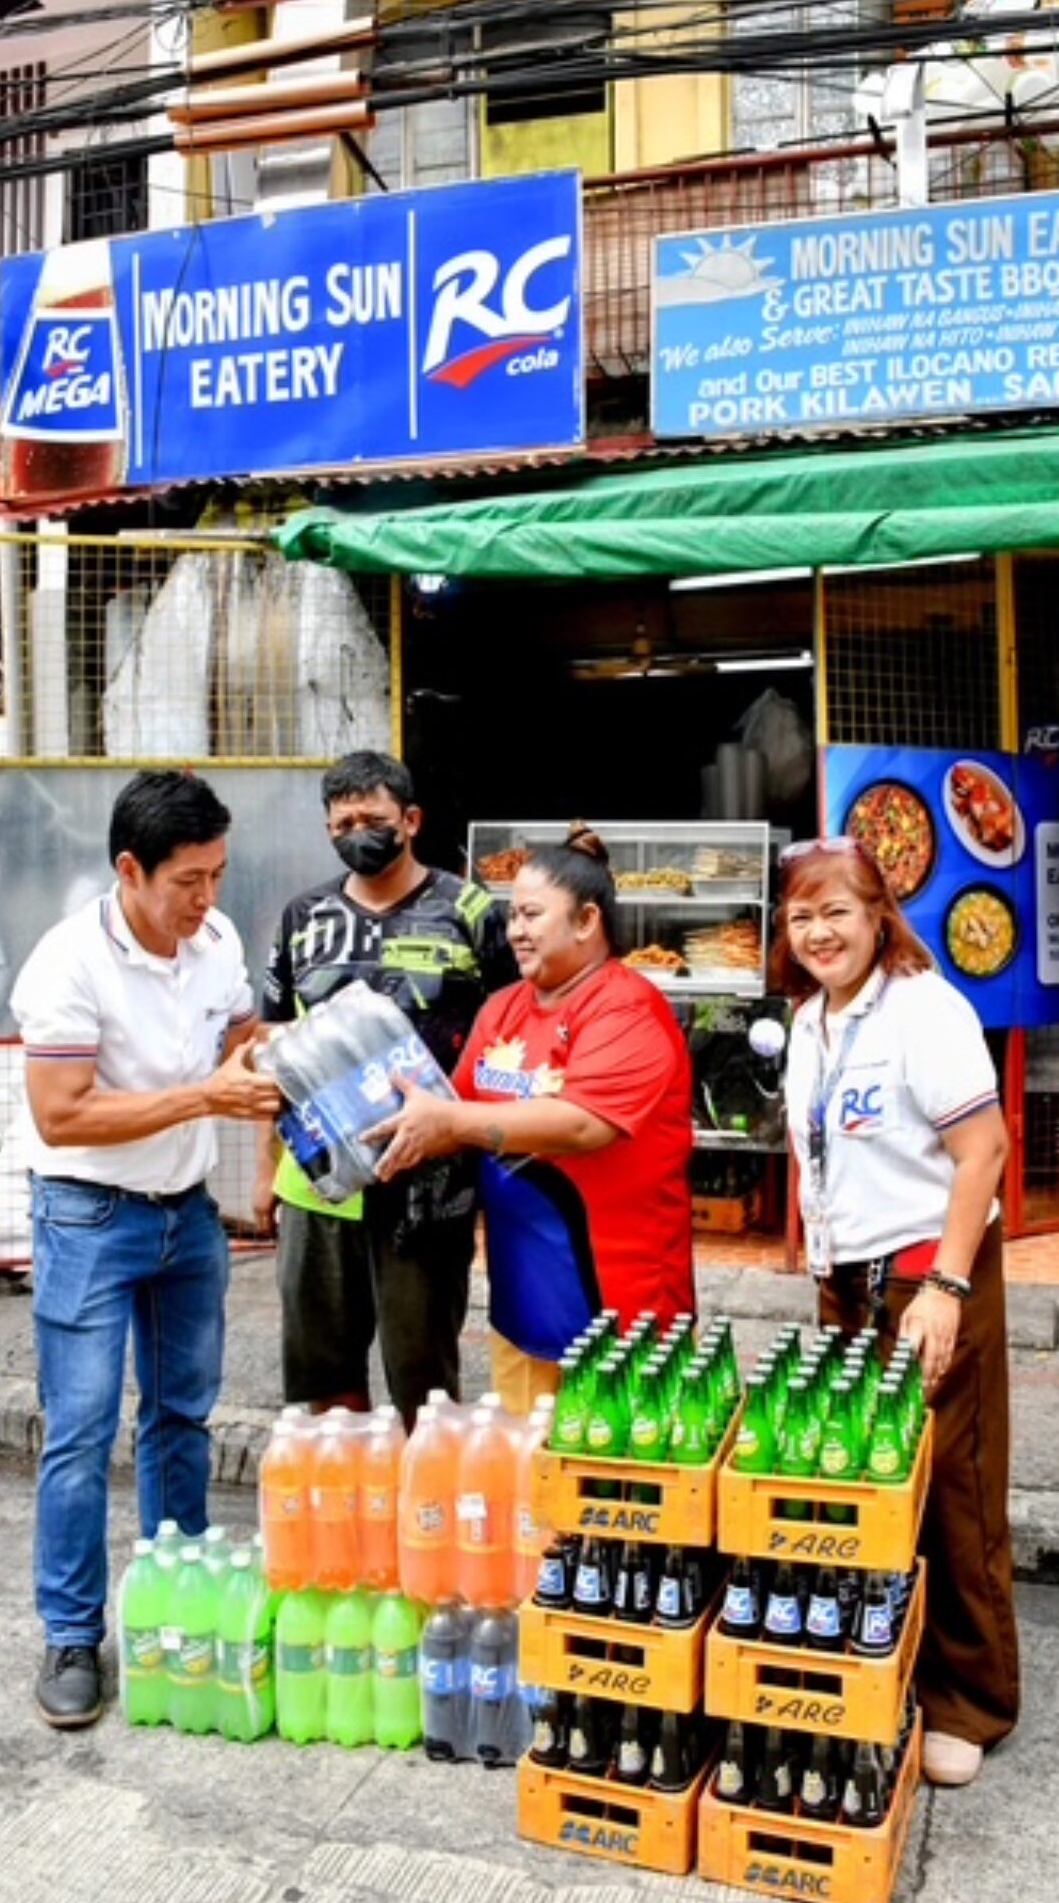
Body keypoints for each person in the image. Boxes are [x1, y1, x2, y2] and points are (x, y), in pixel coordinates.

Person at [10, 769, 281, 1729]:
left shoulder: (214, 941)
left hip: (185, 1214)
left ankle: (179, 1602)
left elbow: (240, 1031)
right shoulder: (65, 965)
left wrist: (270, 1059)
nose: (208, 900)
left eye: (218, 875)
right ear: (130, 870)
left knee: (180, 1418)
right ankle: (73, 1634)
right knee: (81, 1430)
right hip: (88, 1215)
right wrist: (209, 1098)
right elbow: (64, 1112)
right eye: (187, 881)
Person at [773, 837, 1017, 1790]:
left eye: (837, 911)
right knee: (876, 1482)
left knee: (951, 1485)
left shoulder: (924, 1009)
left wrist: (948, 1290)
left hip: (926, 1273)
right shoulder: (811, 1022)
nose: (818, 932)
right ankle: (898, 1664)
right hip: (849, 1277)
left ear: (878, 914)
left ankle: (973, 1701)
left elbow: (983, 1152)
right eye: (801, 916)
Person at [367, 826, 696, 1412]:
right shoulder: (504, 1008)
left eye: (531, 914)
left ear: (587, 920)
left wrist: (449, 1122)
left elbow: (581, 1126)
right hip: (523, 1302)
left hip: (620, 1311)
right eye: (511, 914)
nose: (514, 930)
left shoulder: (627, 1008)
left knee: (611, 1485)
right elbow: (450, 1104)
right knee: (525, 1475)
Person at [254, 750, 513, 1427]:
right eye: (342, 823)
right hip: (317, 1182)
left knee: (422, 1382)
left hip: (430, 1182)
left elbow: (511, 1033)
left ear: (411, 820)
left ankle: (421, 1517)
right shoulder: (303, 917)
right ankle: (345, 1511)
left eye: (373, 819)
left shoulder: (471, 911)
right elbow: (273, 1044)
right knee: (320, 1381)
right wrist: (264, 1171)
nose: (357, 832)